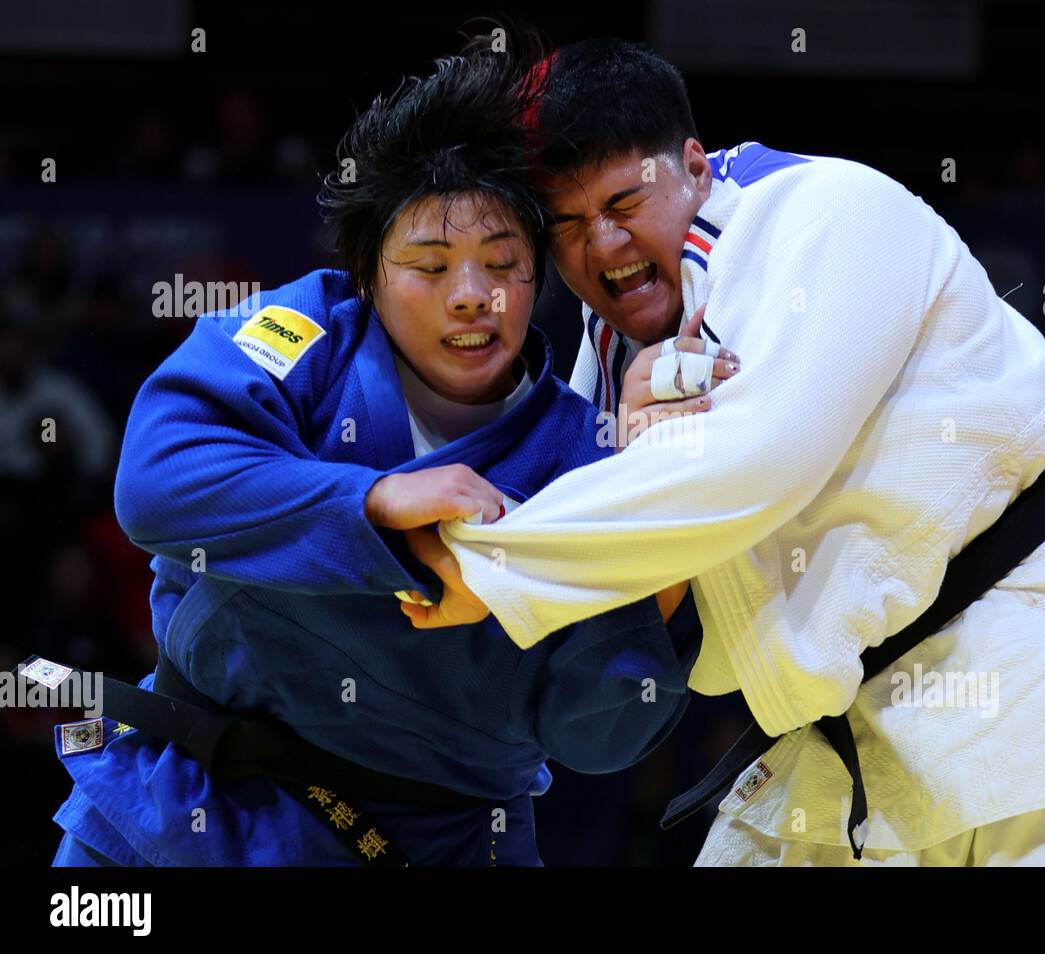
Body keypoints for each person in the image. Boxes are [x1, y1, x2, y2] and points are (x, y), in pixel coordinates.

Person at [415, 39, 1045, 866]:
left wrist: (486, 569)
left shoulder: (824, 212)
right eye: (566, 225)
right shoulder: (607, 360)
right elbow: (637, 593)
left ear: (695, 166)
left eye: (624, 207)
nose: (602, 246)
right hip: (870, 728)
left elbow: (754, 464)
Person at [43, 40, 701, 867]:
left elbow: (602, 732)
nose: (472, 293)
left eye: (502, 263)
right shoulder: (301, 334)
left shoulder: (581, 458)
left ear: (540, 274)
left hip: (435, 845)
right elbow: (160, 483)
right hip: (178, 811)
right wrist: (373, 505)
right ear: (367, 274)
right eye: (429, 265)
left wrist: (669, 537)